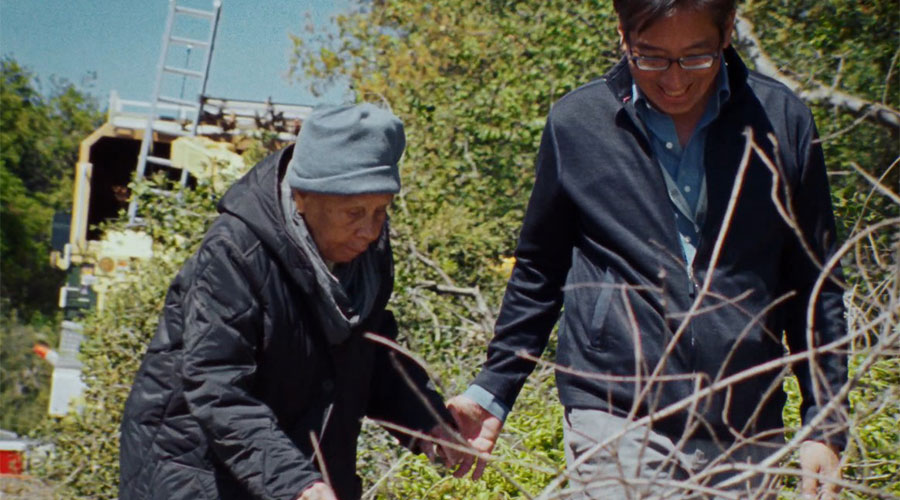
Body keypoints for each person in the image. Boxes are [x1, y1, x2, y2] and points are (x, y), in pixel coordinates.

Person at [448, 1, 847, 498]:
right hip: (615, 412)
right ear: (623, 34)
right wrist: (493, 389)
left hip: (746, 422)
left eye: (696, 57)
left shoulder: (782, 121)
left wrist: (825, 421)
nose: (674, 82)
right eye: (652, 57)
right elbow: (539, 270)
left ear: (727, 32)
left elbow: (816, 281)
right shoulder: (578, 124)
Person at [119, 103, 454, 500]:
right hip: (199, 477)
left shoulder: (366, 255)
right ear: (302, 197)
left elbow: (370, 358)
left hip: (307, 472)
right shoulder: (235, 251)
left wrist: (429, 423)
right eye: (354, 212)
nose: (369, 230)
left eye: (381, 211)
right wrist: (295, 483)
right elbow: (217, 387)